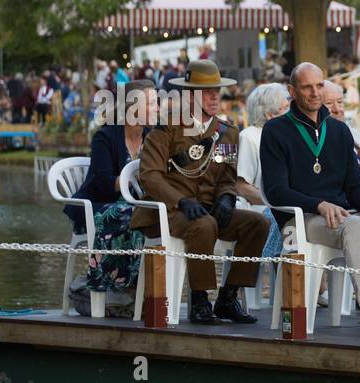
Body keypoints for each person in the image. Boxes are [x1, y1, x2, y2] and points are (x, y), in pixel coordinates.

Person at [260, 61, 360, 340]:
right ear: (292, 91)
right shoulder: (276, 131)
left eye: (319, 85)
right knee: (354, 225)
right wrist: (318, 204)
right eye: (307, 87)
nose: (315, 93)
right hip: (301, 220)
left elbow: (354, 183)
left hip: (342, 216)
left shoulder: (339, 130)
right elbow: (275, 191)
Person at [130, 60, 269, 325]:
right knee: (203, 225)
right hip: (169, 211)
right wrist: (180, 201)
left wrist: (226, 199)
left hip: (208, 209)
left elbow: (227, 176)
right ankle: (200, 300)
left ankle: (228, 298)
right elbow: (150, 176)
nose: (215, 96)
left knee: (258, 223)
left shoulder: (227, 133)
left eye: (217, 90)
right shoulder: (167, 128)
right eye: (207, 92)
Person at [65, 79, 157, 296]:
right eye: (152, 103)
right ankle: (109, 284)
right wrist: (135, 178)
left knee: (151, 215)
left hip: (133, 205)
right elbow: (104, 183)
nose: (158, 108)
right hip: (95, 204)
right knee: (135, 215)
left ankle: (141, 288)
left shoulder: (152, 138)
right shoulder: (105, 137)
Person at [236, 82, 290, 273]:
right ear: (270, 114)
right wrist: (276, 200)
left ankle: (312, 284)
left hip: (289, 204)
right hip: (262, 209)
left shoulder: (287, 136)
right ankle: (302, 287)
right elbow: (241, 186)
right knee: (288, 218)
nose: (291, 112)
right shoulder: (249, 137)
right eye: (286, 108)